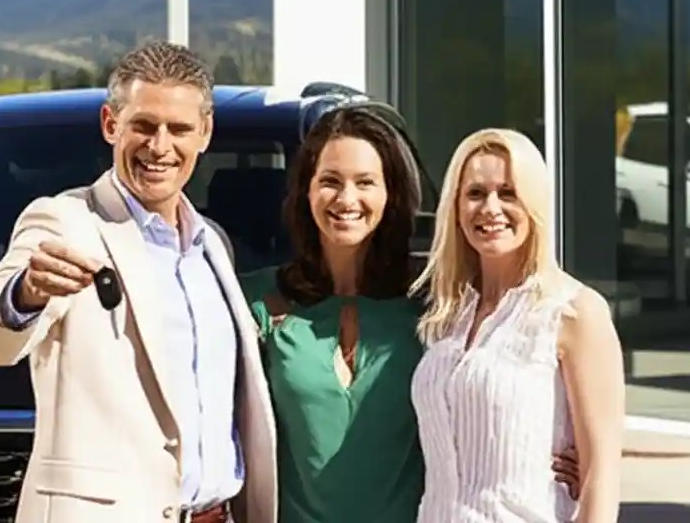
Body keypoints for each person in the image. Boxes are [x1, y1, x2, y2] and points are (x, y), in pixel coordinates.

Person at [0, 41, 276, 523]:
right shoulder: (65, 221)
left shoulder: (212, 244)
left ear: (205, 133)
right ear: (111, 124)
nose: (159, 147)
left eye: (179, 129)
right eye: (143, 126)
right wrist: (25, 293)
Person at [240, 107, 582, 523]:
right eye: (330, 181)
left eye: (365, 182)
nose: (347, 199)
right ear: (306, 191)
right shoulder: (256, 299)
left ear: (391, 194)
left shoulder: (441, 302)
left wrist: (569, 454)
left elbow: (508, 377)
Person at [409, 128, 625, 523]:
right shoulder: (448, 316)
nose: (490, 208)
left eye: (508, 193)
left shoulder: (574, 312)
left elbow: (602, 475)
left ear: (534, 203)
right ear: (455, 207)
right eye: (475, 193)